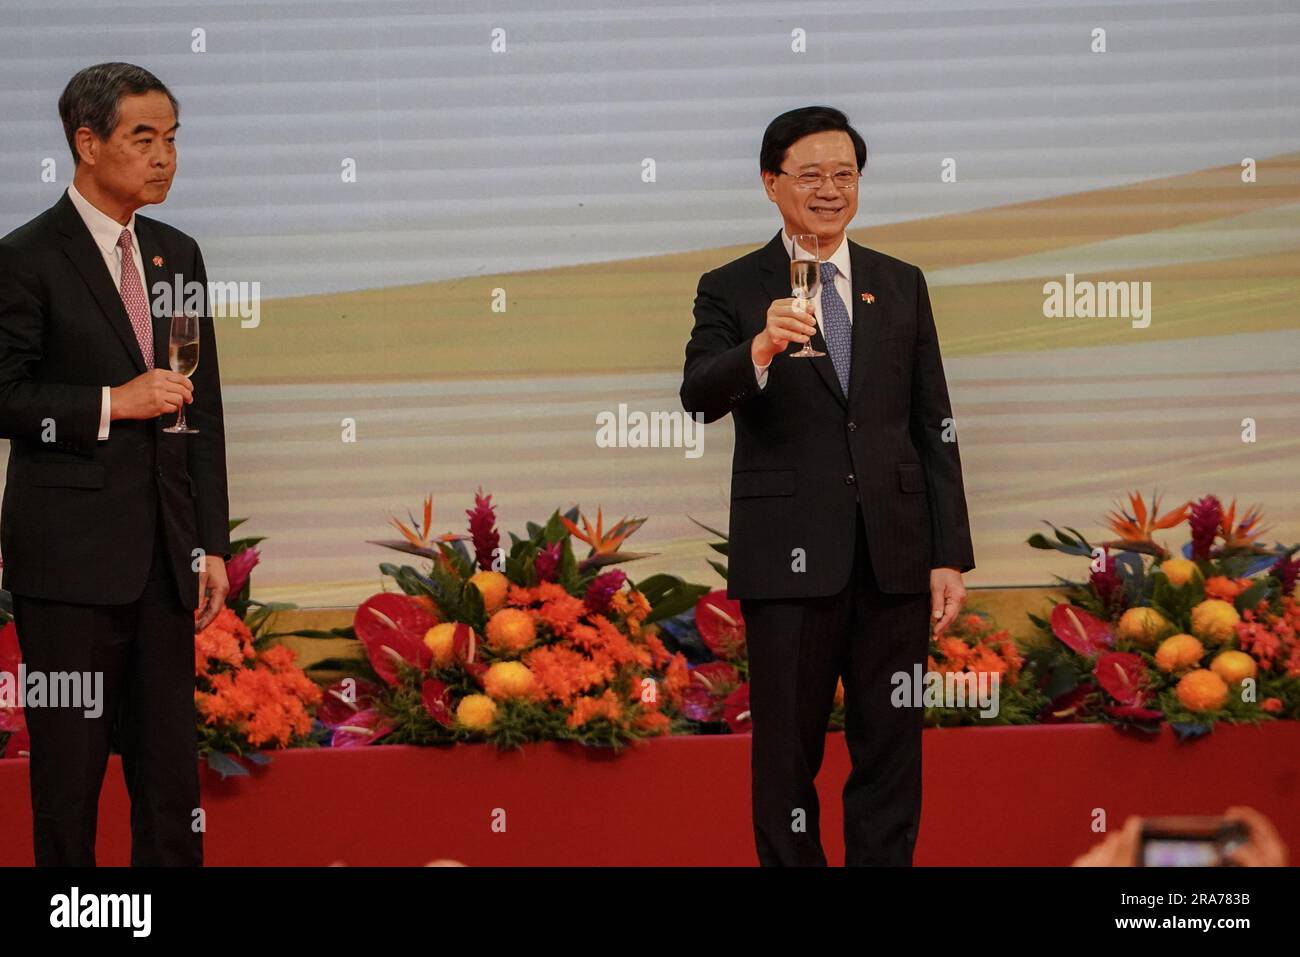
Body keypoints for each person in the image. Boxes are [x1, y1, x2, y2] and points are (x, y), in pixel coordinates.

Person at [680, 105, 975, 866]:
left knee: (891, 758)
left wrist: (949, 553)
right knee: (785, 761)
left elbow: (932, 422)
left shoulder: (899, 284)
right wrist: (762, 346)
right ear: (770, 183)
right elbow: (698, 394)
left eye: (844, 174)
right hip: (790, 564)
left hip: (895, 559)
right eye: (810, 174)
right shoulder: (732, 287)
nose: (830, 189)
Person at [0, 62, 231, 866]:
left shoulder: (176, 254)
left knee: (171, 785)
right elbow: (5, 395)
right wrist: (110, 402)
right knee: (70, 782)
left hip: (166, 560)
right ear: (86, 143)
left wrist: (211, 544)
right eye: (144, 138)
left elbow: (200, 406)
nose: (164, 157)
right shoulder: (26, 258)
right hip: (68, 567)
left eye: (172, 139)